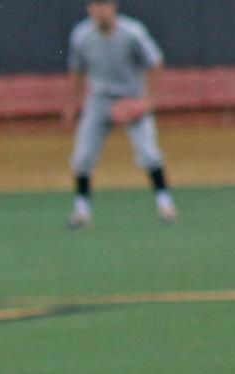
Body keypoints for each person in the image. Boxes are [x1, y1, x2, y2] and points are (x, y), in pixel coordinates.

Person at [63, 0, 177, 227]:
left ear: (114, 7)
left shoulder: (132, 33)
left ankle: (165, 205)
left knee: (149, 153)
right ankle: (81, 211)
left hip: (130, 99)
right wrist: (72, 103)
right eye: (94, 5)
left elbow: (155, 63)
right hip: (98, 100)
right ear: (89, 9)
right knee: (83, 156)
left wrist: (146, 100)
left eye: (104, 5)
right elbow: (77, 70)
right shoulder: (82, 35)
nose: (100, 10)